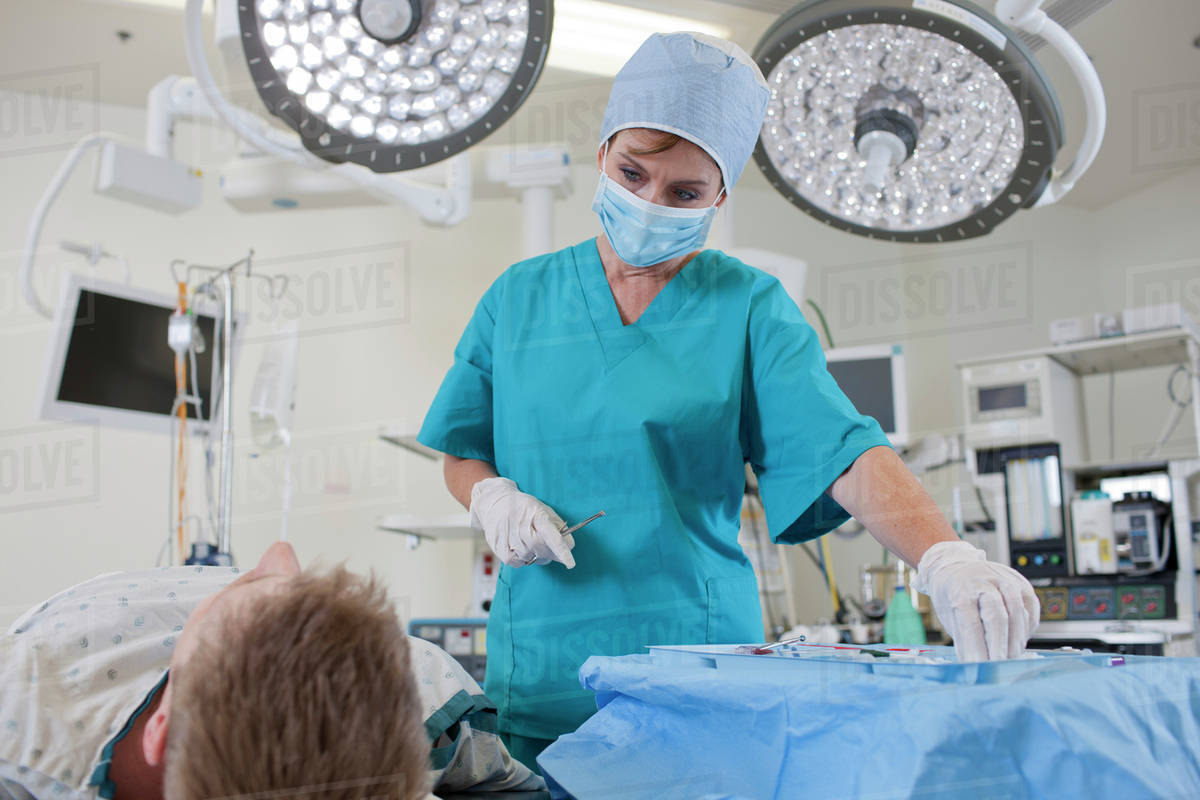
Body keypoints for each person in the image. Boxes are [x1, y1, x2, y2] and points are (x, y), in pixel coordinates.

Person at [418, 32, 1040, 770]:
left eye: (683, 192)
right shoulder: (517, 299)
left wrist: (946, 556)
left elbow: (842, 449)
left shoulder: (749, 308)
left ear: (718, 196)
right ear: (602, 156)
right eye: (633, 173)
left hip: (698, 675)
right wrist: (491, 496)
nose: (650, 202)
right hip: (546, 674)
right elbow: (462, 446)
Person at [0, 542, 544, 800]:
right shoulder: (23, 741)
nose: (282, 555)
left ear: (163, 732)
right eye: (252, 586)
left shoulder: (429, 709)